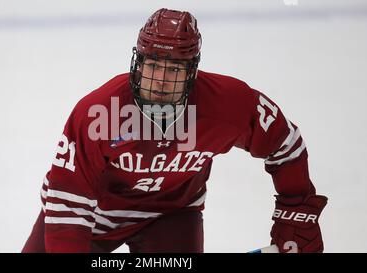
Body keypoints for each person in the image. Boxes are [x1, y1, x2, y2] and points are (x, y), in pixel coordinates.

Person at [22, 8, 328, 253]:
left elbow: (284, 145)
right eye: (153, 65)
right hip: (93, 216)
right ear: (137, 63)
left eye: (174, 70)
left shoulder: (226, 104)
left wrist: (295, 210)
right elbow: (69, 204)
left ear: (192, 71)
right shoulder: (99, 112)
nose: (160, 80)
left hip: (170, 216)